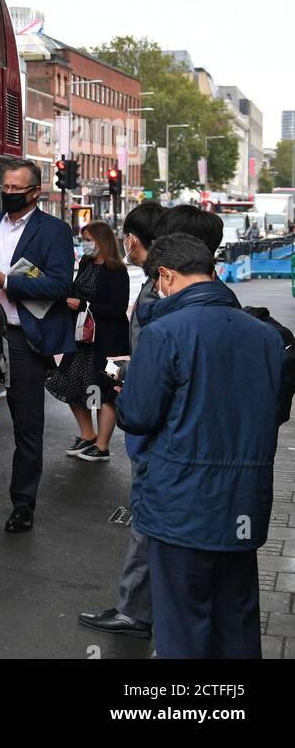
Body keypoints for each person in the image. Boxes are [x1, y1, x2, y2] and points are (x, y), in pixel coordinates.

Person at [117, 233, 281, 658]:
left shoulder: (164, 333)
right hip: (244, 499)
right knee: (237, 618)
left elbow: (138, 415)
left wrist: (126, 383)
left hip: (182, 500)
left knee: (183, 624)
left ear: (166, 276)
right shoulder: (264, 334)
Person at [79, 203, 229, 640]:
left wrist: (134, 388)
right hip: (194, 440)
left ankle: (140, 612)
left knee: (152, 523)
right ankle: (144, 608)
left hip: (167, 435)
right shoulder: (220, 301)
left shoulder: (164, 302)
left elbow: (152, 387)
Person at [0, 159, 75, 533]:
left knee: (27, 424)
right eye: (5, 187)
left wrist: (6, 280)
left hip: (24, 336)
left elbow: (60, 285)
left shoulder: (54, 231)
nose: (8, 194)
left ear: (35, 192)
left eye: (16, 189)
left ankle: (23, 503)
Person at [46, 221, 129, 462]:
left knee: (104, 391)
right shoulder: (85, 263)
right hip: (81, 338)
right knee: (67, 383)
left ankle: (102, 446)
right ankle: (88, 434)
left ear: (102, 242)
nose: (84, 245)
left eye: (88, 239)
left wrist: (84, 305)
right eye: (83, 239)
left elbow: (117, 308)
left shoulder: (116, 271)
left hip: (107, 341)